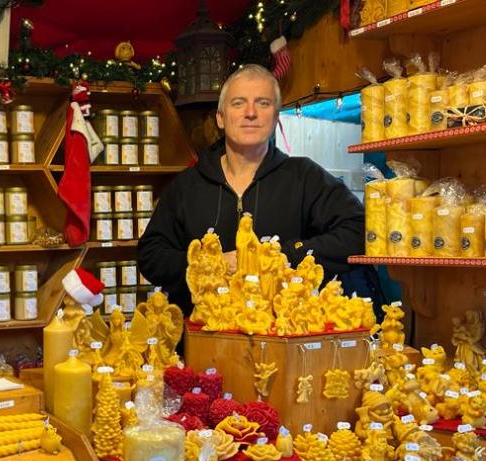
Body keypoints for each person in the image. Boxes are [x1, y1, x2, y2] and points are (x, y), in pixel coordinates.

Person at [137, 64, 368, 316]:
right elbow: (151, 255)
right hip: (205, 339)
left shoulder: (305, 177)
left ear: (276, 116)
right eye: (238, 103)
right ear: (220, 118)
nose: (250, 113)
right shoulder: (186, 186)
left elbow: (358, 232)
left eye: (263, 103)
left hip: (282, 338)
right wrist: (210, 265)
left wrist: (283, 256)